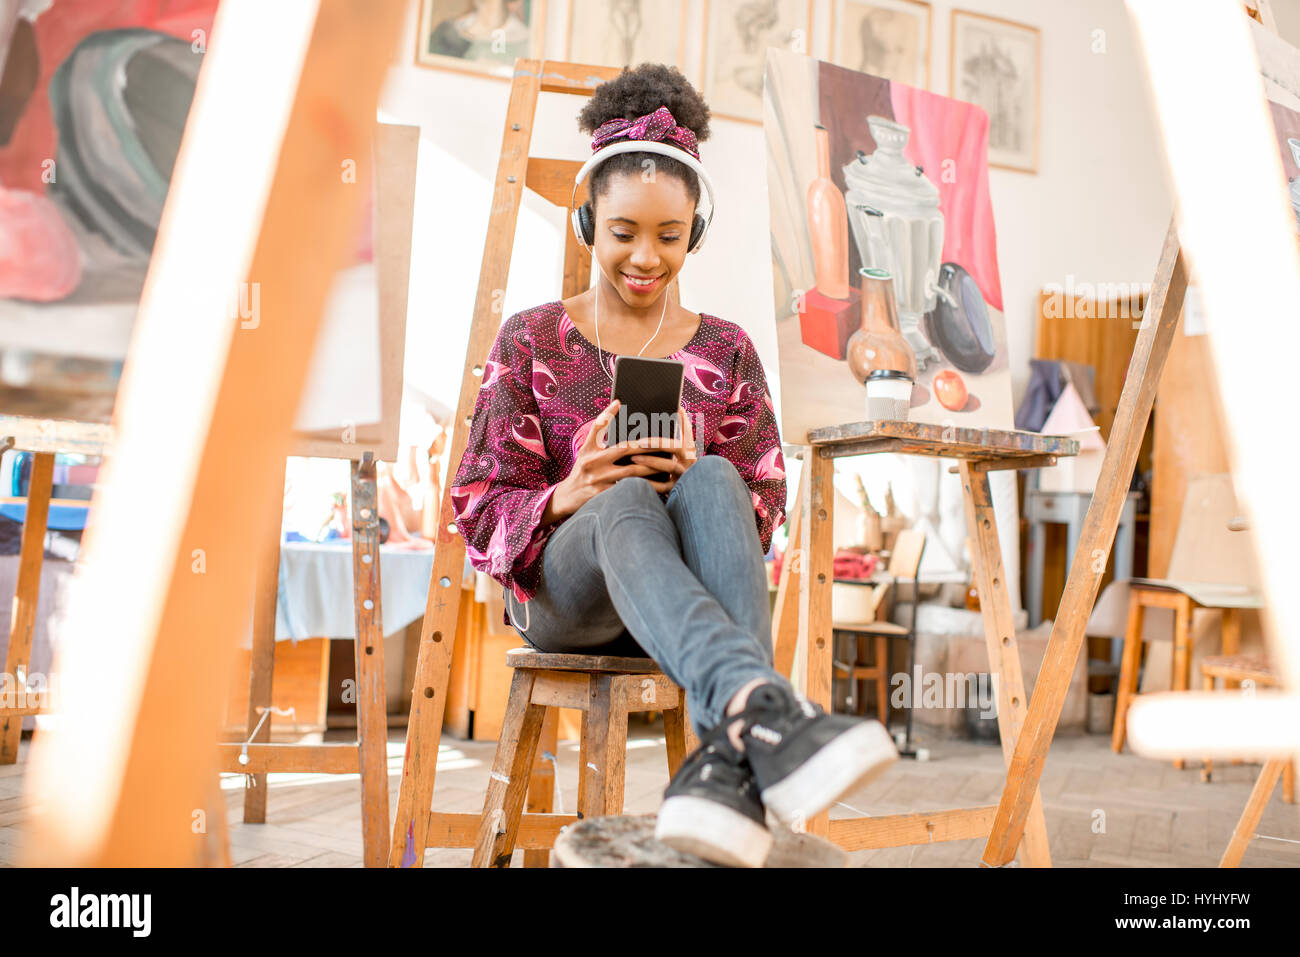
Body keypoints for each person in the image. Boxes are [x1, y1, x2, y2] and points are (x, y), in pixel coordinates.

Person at [451, 63, 897, 868]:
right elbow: (478, 503)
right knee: (620, 501)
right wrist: (565, 495)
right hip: (569, 598)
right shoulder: (530, 337)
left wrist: (696, 477)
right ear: (589, 222)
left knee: (717, 477)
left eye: (668, 234)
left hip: (678, 601)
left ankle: (725, 761)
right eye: (624, 232)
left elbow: (763, 498)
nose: (646, 257)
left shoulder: (726, 349)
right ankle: (761, 707)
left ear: (695, 230)